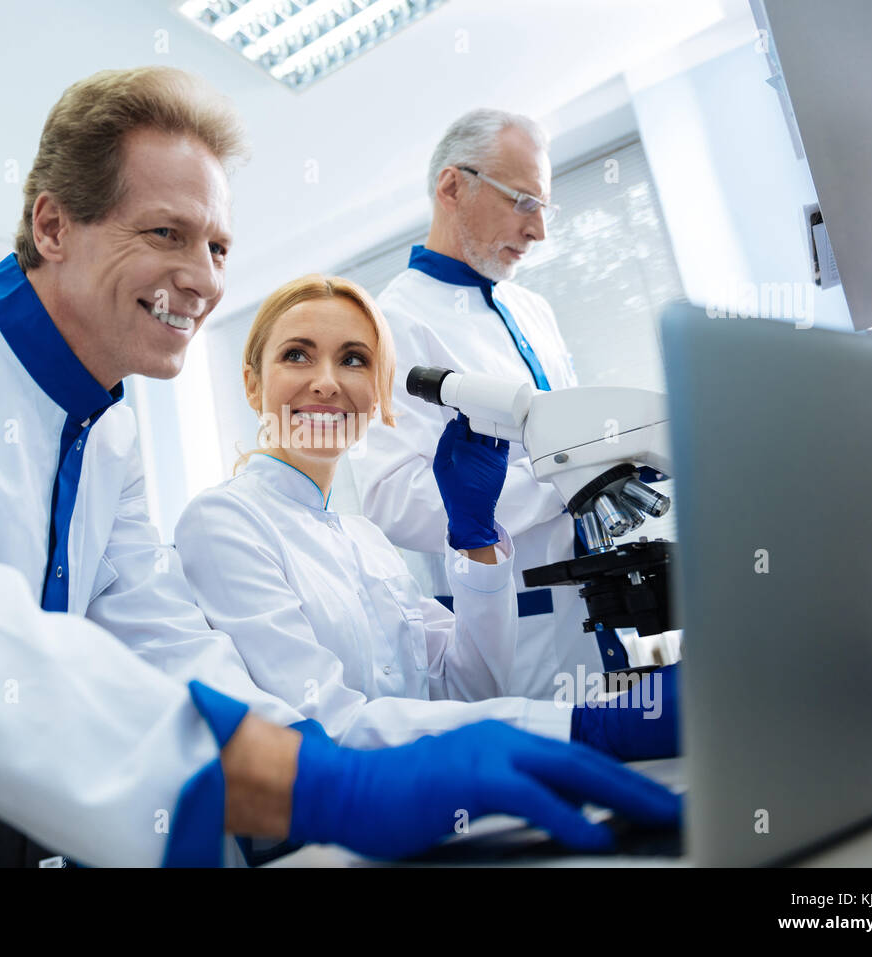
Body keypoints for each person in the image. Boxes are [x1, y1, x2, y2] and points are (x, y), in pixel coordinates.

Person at [0, 68, 679, 866]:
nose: (200, 277)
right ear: (52, 224)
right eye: (165, 233)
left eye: (221, 246)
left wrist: (575, 718)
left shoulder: (105, 444)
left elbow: (199, 683)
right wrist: (330, 791)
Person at [174, 274, 678, 758]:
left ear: (378, 395)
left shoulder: (366, 541)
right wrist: (581, 727)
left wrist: (474, 534)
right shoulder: (223, 520)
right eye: (296, 355)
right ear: (253, 384)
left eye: (353, 360)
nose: (326, 383)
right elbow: (329, 728)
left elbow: (469, 688)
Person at [352, 108, 634, 701]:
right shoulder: (391, 324)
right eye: (523, 202)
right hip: (516, 635)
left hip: (596, 613)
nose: (540, 232)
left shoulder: (534, 312)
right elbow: (393, 501)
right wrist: (569, 481)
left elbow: (564, 443)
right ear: (453, 187)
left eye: (544, 208)